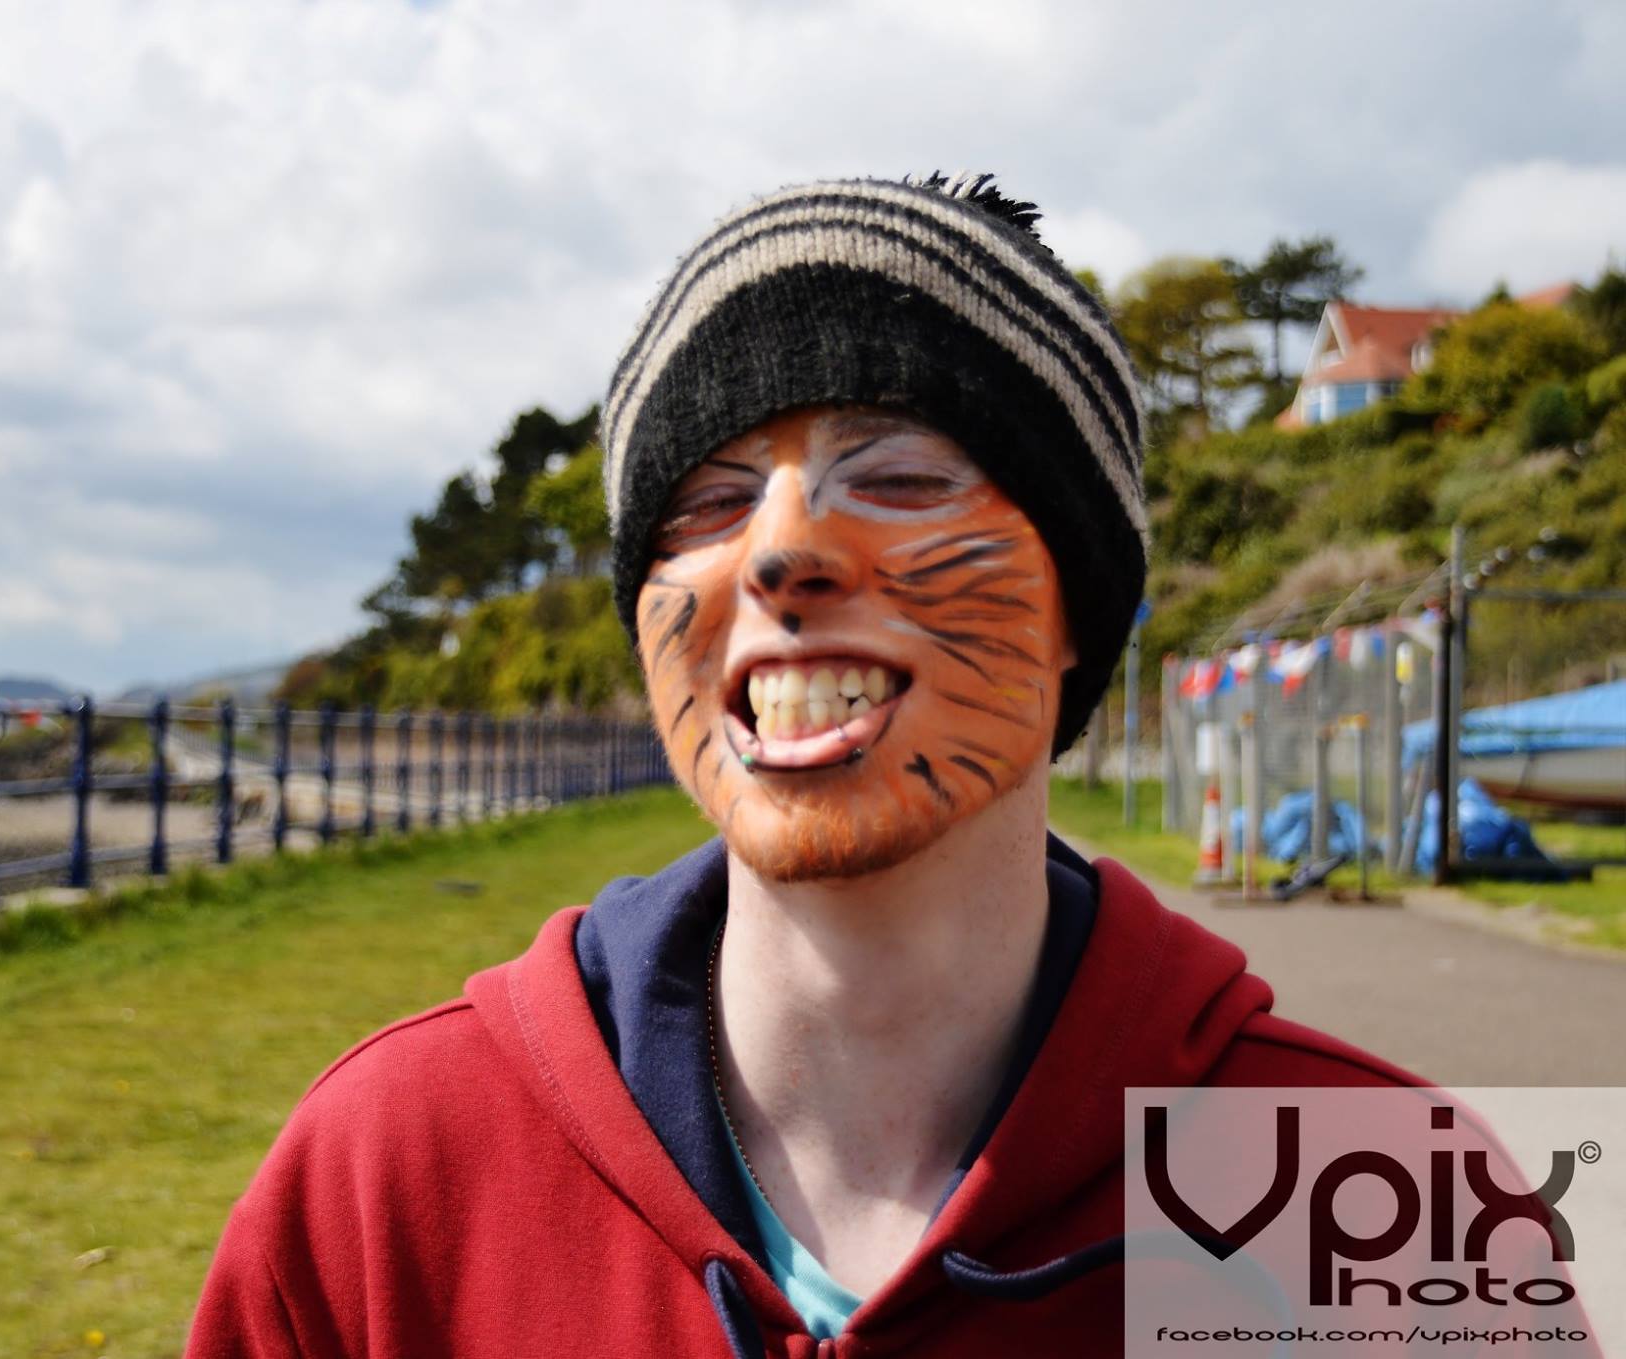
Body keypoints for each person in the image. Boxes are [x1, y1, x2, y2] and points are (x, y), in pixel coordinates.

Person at [185, 174, 1430, 1357]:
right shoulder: (385, 1176)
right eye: (704, 505)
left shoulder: (1373, 1207)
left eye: (898, 476)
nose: (780, 555)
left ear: (1075, 605)